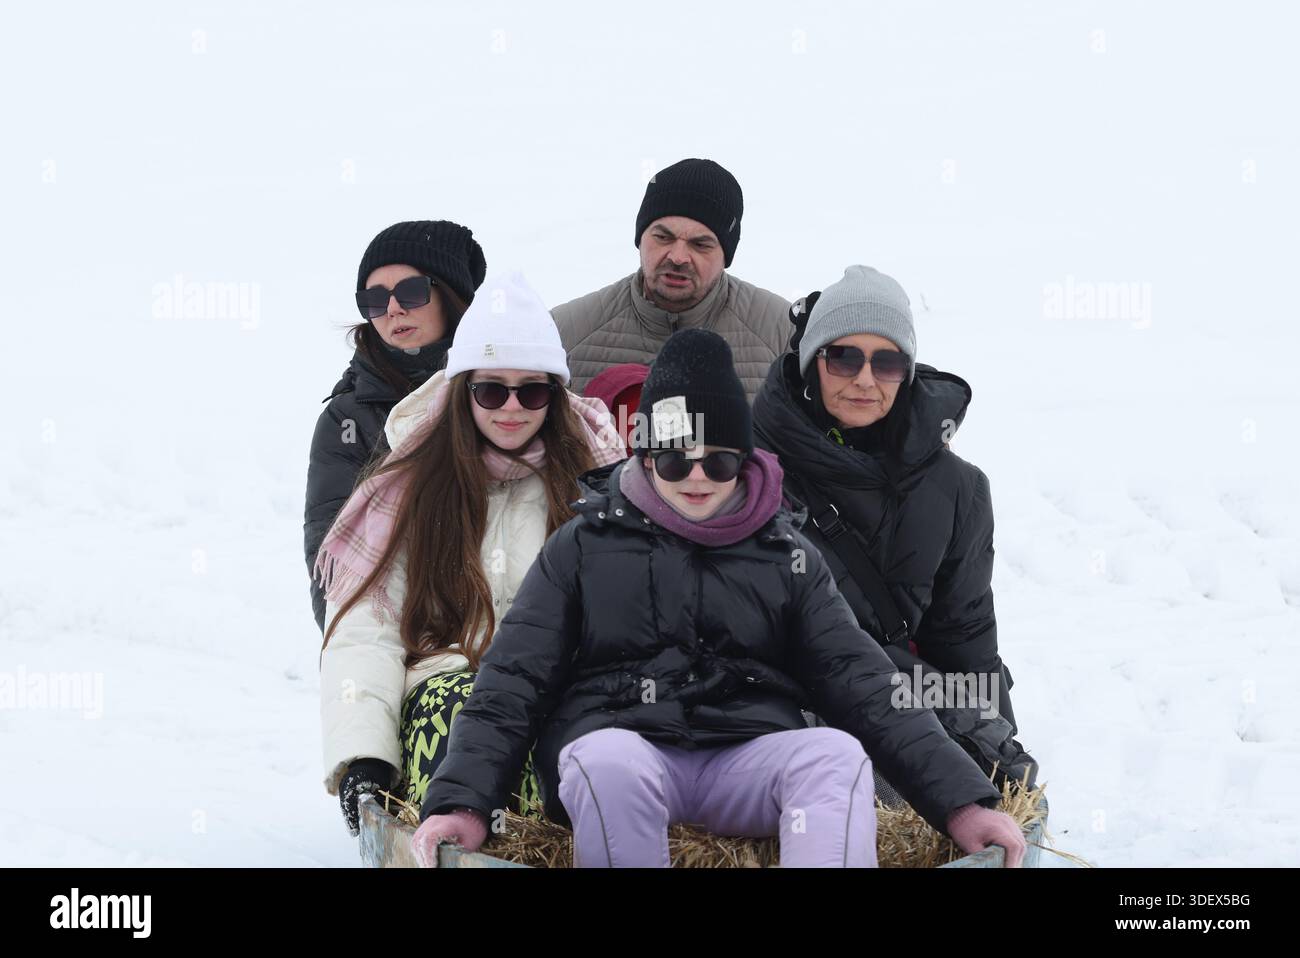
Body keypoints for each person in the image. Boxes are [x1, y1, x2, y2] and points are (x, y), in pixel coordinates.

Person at [409, 329, 1027, 868]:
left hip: (749, 761)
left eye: (720, 459)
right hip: (626, 750)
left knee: (835, 755)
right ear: (646, 454)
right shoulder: (582, 548)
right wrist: (462, 802)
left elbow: (863, 682)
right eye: (676, 459)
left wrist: (962, 803)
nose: (698, 476)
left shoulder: (787, 556)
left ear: (746, 460)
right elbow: (511, 681)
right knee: (603, 761)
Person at [314, 272, 625, 836]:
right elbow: (366, 627)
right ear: (463, 390)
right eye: (490, 390)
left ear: (554, 397)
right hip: (447, 682)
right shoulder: (410, 487)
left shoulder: (595, 486)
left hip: (559, 688)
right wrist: (364, 754)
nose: (511, 407)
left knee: (582, 749)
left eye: (531, 391)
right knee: (463, 719)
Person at [751, 265, 1036, 790]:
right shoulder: (746, 469)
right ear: (812, 361)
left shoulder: (956, 490)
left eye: (886, 361)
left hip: (899, 721)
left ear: (906, 371)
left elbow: (963, 638)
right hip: (779, 717)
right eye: (843, 356)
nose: (864, 378)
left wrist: (997, 756)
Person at [304, 220, 487, 633]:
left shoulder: (506, 392)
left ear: (450, 296)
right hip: (403, 642)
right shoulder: (347, 419)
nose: (392, 309)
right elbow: (331, 569)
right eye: (374, 298)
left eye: (410, 291)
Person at [551, 158, 789, 401]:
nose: (678, 257)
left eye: (700, 244)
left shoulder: (784, 334)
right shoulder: (562, 334)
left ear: (726, 254)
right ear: (640, 239)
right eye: (663, 237)